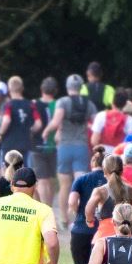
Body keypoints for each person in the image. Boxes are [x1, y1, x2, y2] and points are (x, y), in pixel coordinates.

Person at [40, 74, 96, 226]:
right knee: (81, 184)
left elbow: (56, 121)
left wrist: (46, 131)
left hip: (65, 147)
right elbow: (95, 123)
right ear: (81, 87)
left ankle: (64, 218)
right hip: (82, 147)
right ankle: (82, 217)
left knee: (65, 185)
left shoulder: (63, 102)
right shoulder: (89, 104)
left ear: (67, 87)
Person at [66, 146, 108, 264]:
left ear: (92, 162)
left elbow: (71, 202)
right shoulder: (108, 182)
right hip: (100, 232)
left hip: (80, 230)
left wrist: (78, 214)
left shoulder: (81, 179)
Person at [85, 154, 132, 243]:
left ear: (104, 171)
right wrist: (129, 217)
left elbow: (88, 210)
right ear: (122, 170)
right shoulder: (131, 190)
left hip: (103, 240)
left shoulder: (100, 191)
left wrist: (89, 221)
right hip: (125, 241)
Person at [0, 76, 40, 180]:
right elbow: (38, 123)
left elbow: (6, 120)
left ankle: (8, 189)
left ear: (9, 89)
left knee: (7, 173)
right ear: (22, 88)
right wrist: (30, 131)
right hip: (25, 143)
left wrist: (0, 134)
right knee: (24, 173)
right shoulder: (31, 104)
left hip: (9, 144)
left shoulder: (8, 105)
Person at [29, 76, 58, 209]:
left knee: (42, 181)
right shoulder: (58, 104)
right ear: (55, 90)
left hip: (37, 146)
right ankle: (49, 207)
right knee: (51, 180)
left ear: (41, 89)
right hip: (54, 146)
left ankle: (44, 209)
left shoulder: (33, 104)